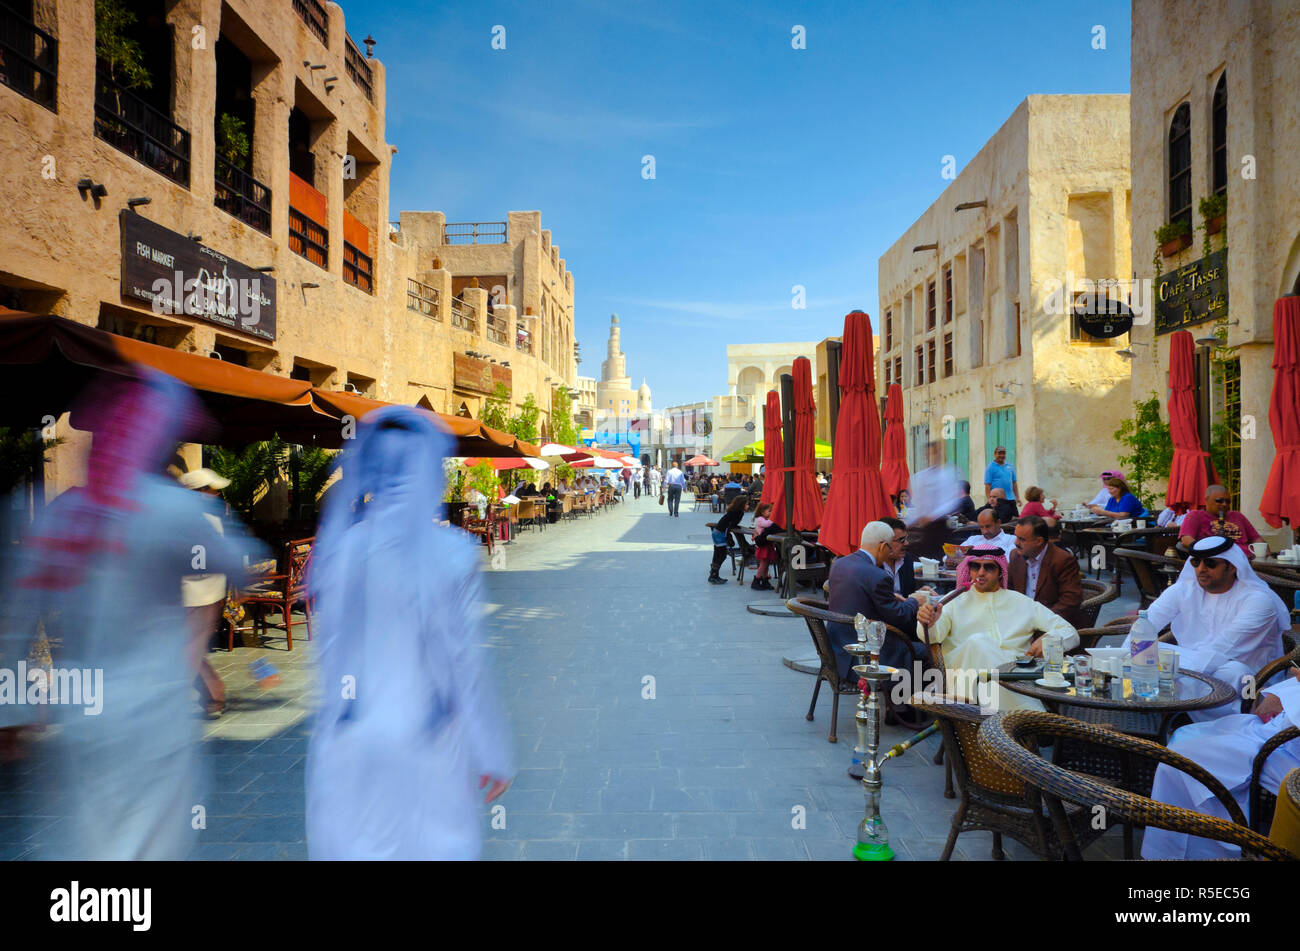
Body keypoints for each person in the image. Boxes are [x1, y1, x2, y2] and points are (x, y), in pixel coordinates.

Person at [2, 369, 261, 859]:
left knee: (90, 844)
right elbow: (240, 566)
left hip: (82, 716)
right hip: (152, 720)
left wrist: (11, 709)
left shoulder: (64, 512)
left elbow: (18, 609)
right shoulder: (173, 510)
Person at [307, 406, 514, 860]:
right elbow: (461, 662)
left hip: (349, 739)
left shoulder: (341, 550)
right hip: (424, 740)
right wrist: (491, 747)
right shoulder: (453, 553)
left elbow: (327, 652)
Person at [1122, 535, 1289, 720]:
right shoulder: (1184, 590)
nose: (1201, 569)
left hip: (1249, 677)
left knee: (1232, 671)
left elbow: (1219, 651)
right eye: (1196, 562)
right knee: (1142, 651)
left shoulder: (1258, 601)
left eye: (1210, 563)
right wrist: (1128, 658)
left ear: (1232, 566)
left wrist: (1166, 667)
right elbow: (1144, 627)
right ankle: (1174, 711)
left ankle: (1191, 720)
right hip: (1191, 665)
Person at [1141, 668, 1300, 860]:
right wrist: (1284, 692)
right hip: (1279, 727)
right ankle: (1183, 847)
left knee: (1180, 762)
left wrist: (1288, 694)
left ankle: (1191, 850)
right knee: (1185, 737)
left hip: (1286, 747)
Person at [917, 546, 1079, 711]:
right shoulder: (953, 601)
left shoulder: (1021, 602)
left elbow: (1069, 632)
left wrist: (1048, 639)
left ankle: (1015, 722)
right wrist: (928, 622)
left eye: (988, 567)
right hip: (966, 674)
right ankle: (1031, 716)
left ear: (1000, 571)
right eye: (975, 567)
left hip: (1017, 675)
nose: (980, 573)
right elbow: (932, 636)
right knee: (978, 643)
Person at [826, 522, 932, 691]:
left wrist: (892, 598)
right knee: (928, 652)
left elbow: (861, 598)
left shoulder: (840, 564)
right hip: (868, 654)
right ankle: (910, 710)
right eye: (890, 548)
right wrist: (914, 600)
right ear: (882, 546)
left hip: (839, 649)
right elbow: (899, 617)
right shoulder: (878, 575)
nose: (890, 553)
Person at [179, 467, 235, 717]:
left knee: (188, 648)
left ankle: (205, 697)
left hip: (196, 594)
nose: (216, 495)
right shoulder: (206, 520)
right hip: (202, 593)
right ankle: (215, 695)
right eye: (212, 490)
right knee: (191, 648)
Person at [1008, 515, 1084, 626]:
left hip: (1053, 623)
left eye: (1022, 539)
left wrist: (1040, 622)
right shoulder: (1016, 556)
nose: (1015, 543)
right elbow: (1009, 590)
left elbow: (1070, 600)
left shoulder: (1062, 560)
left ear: (1039, 541)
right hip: (1021, 621)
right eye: (1016, 537)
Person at [906, 439, 964, 559]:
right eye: (929, 454)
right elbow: (918, 504)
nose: (932, 457)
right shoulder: (920, 477)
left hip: (941, 526)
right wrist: (908, 522)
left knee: (941, 558)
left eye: (935, 453)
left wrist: (932, 516)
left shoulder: (949, 473)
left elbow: (952, 501)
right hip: (925, 528)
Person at [1178, 484, 1263, 557]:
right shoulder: (1195, 516)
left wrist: (1263, 551)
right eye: (1220, 501)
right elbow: (1186, 540)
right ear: (1207, 500)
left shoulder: (1237, 516)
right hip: (1217, 560)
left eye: (1228, 501)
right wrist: (1210, 552)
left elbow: (1256, 538)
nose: (1224, 504)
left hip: (1248, 558)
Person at [708, 495, 749, 586]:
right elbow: (730, 526)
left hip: (717, 532)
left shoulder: (732, 511)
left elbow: (730, 524)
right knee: (722, 555)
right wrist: (729, 538)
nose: (748, 506)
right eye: (746, 504)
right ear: (741, 505)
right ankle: (713, 576)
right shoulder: (739, 513)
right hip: (721, 534)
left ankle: (713, 575)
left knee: (717, 554)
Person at [880, 516, 918, 597]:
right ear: (884, 542)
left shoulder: (906, 559)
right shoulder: (872, 565)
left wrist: (920, 592)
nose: (906, 543)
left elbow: (909, 593)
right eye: (901, 540)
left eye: (906, 538)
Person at [750, 502, 778, 590]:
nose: (771, 513)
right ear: (762, 512)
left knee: (766, 563)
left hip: (767, 544)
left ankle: (765, 580)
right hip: (763, 546)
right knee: (763, 563)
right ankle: (757, 580)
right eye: (769, 511)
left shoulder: (764, 519)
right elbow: (767, 524)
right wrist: (775, 518)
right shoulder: (760, 519)